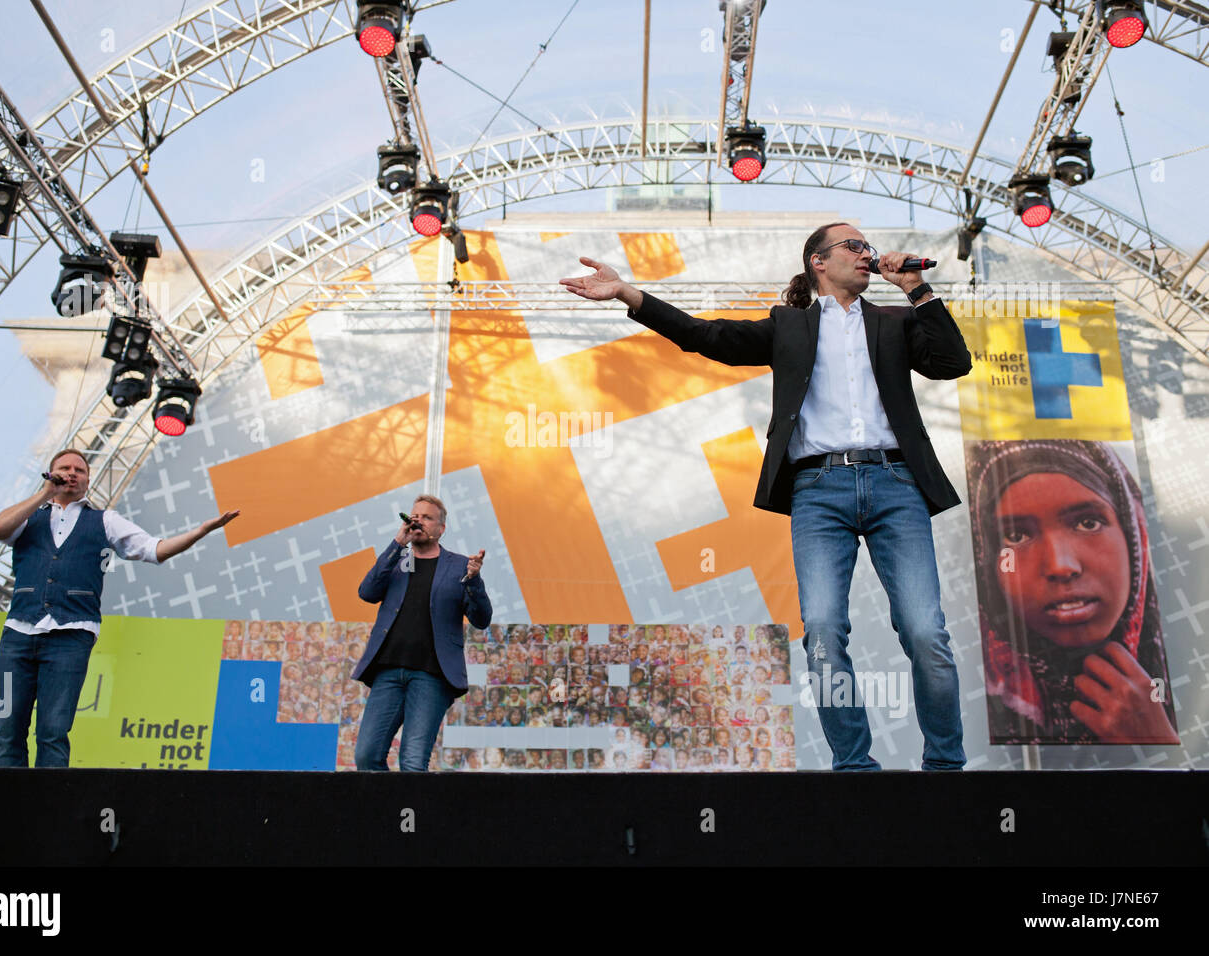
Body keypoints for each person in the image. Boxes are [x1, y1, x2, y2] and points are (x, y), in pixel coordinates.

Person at [562, 222, 970, 771]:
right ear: (818, 262)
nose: (867, 254)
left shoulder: (895, 320)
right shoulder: (789, 326)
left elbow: (952, 363)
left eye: (869, 247)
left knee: (925, 631)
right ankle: (855, 766)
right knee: (822, 632)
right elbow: (702, 335)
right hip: (818, 491)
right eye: (855, 246)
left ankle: (945, 766)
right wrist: (629, 294)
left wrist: (915, 289)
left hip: (896, 484)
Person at [0, 448, 239, 767]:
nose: (72, 473)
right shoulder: (29, 518)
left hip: (70, 635)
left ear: (88, 481)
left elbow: (154, 549)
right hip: (18, 635)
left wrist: (200, 531)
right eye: (64, 468)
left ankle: (48, 812)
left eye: (79, 469)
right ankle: (4, 812)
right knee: (7, 731)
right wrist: (45, 494)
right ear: (51, 474)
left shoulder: (103, 520)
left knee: (52, 732)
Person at [967, 440, 1178, 744]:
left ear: (1133, 537)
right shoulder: (965, 708)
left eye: (1087, 523)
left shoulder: (1191, 660)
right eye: (1016, 535)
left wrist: (1157, 739)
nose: (1061, 566)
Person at [352, 494, 491, 771]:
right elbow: (367, 592)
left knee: (413, 762)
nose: (418, 521)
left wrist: (474, 582)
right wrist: (397, 543)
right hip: (388, 671)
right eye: (415, 516)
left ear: (441, 529)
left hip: (431, 675)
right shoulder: (397, 559)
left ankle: (413, 814)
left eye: (427, 517)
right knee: (366, 756)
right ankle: (388, 812)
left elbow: (481, 619)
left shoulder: (459, 566)